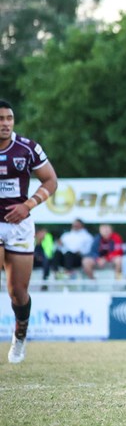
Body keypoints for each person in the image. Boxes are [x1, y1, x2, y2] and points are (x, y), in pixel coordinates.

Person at [0, 99, 59, 363]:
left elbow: (51, 180)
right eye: (0, 119)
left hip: (20, 225)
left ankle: (19, 338)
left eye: (9, 119)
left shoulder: (27, 148)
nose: (5, 124)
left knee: (18, 292)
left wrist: (28, 205)